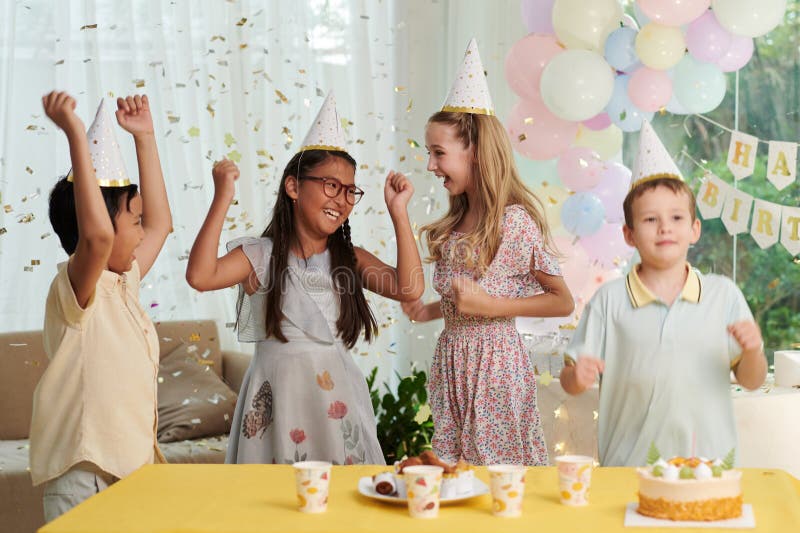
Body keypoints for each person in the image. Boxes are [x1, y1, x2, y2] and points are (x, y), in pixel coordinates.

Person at [186, 92, 423, 465]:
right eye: (331, 185)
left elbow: (409, 287)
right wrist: (222, 198)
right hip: (277, 396)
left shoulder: (350, 258)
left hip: (335, 399)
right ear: (294, 187)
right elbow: (201, 276)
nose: (341, 199)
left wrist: (398, 213)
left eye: (349, 191)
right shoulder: (259, 256)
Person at [401, 39, 574, 466]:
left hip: (495, 367)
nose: (430, 165)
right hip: (454, 362)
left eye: (438, 153)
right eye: (429, 153)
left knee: (494, 479)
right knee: (455, 475)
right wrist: (430, 311)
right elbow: (465, 299)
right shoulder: (454, 226)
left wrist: (491, 305)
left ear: (475, 151)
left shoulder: (513, 223)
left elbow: (561, 301)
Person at [560, 121, 767, 467]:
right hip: (628, 468)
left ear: (694, 229)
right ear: (629, 235)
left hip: (708, 470)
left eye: (675, 217)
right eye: (650, 220)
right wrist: (577, 377)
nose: (665, 227)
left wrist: (753, 350)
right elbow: (570, 381)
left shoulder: (722, 295)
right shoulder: (609, 301)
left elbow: (751, 381)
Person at [30, 91, 172, 521]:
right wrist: (75, 134)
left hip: (130, 473)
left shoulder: (124, 281)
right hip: (84, 478)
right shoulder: (76, 289)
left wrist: (144, 139)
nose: (141, 231)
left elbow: (161, 224)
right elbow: (98, 240)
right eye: (133, 221)